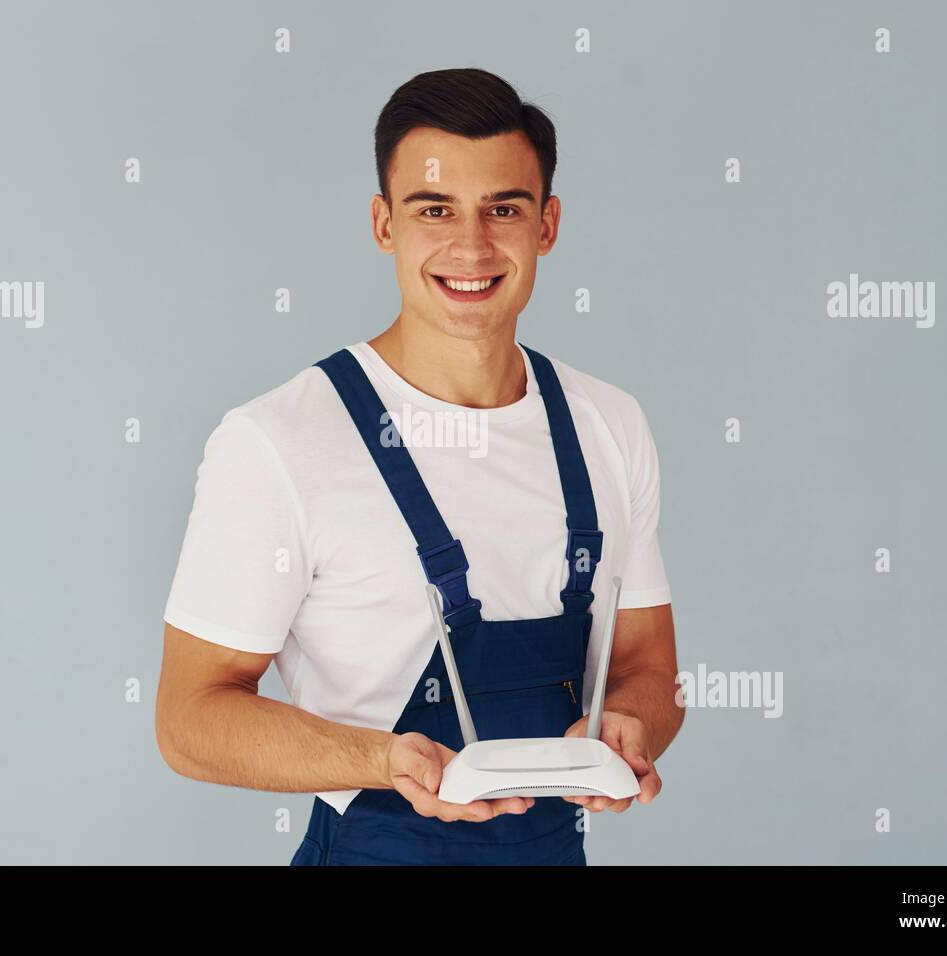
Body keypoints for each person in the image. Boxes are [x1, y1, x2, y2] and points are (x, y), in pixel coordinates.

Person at [155, 67, 682, 866]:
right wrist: (381, 761)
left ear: (548, 225)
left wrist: (631, 727)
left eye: (503, 208)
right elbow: (188, 722)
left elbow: (649, 665)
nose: (470, 246)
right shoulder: (278, 441)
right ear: (383, 224)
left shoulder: (609, 424)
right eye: (434, 209)